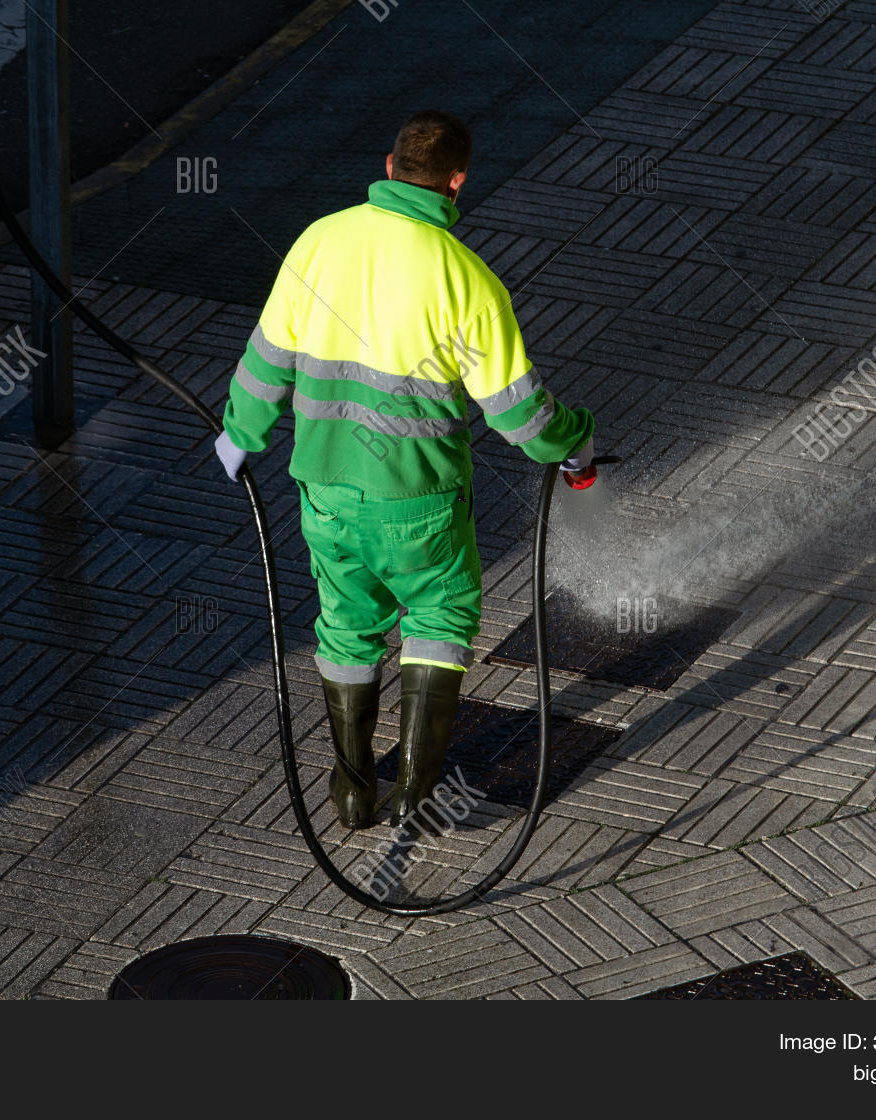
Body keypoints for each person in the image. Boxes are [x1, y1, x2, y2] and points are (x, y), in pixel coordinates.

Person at [214, 110, 595, 833]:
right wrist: (574, 442)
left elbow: (265, 361)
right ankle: (417, 791)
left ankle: (353, 790)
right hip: (419, 499)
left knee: (347, 626)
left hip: (325, 486)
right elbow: (520, 417)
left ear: (388, 167)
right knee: (440, 617)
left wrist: (240, 436)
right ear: (457, 183)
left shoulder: (318, 242)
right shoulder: (467, 280)